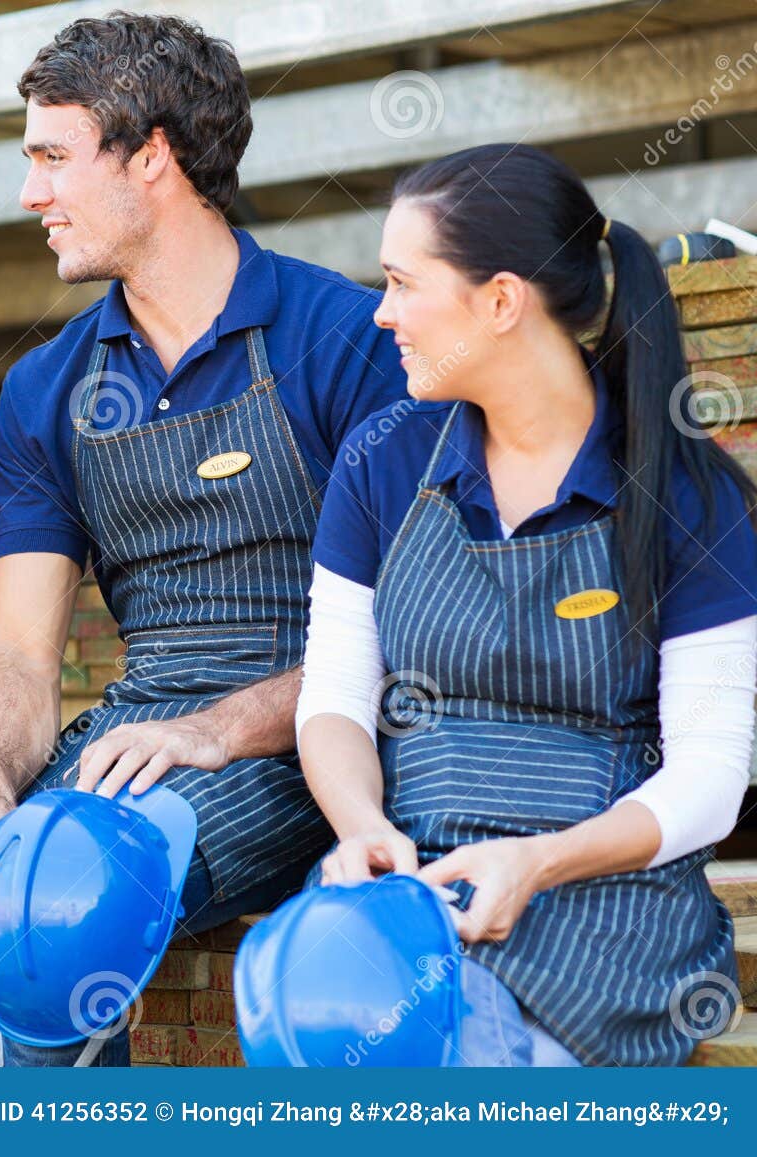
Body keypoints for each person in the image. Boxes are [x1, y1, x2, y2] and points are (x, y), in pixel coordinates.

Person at [0, 13, 409, 1067]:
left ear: (151, 156)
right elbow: (17, 648)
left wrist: (215, 727)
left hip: (298, 741)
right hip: (125, 739)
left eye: (52, 158)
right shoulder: (49, 387)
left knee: (56, 912)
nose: (30, 196)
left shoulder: (342, 338)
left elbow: (412, 624)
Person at [295, 143, 757, 1066]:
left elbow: (712, 773)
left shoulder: (692, 497)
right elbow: (334, 698)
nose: (381, 313)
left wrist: (538, 861)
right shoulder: (382, 461)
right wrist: (364, 832)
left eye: (401, 282)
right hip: (413, 880)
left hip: (608, 902)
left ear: (501, 301)